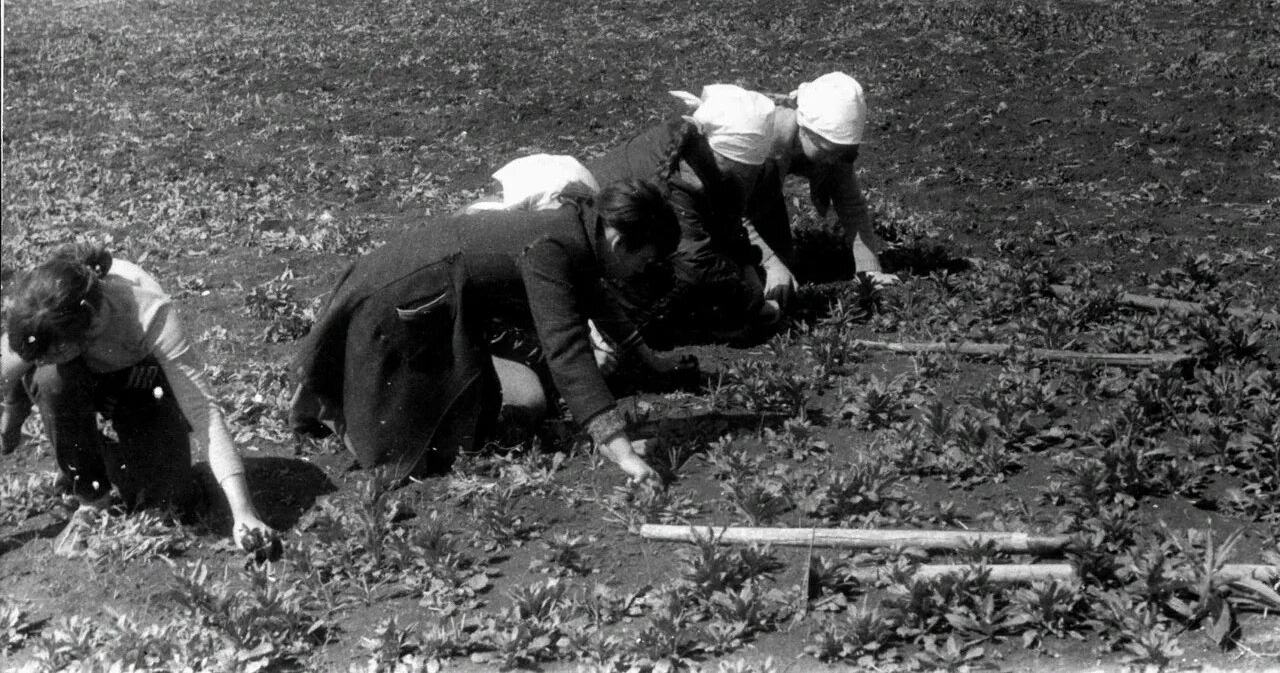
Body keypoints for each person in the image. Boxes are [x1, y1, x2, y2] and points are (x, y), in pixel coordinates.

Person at [289, 180, 679, 484]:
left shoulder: (578, 228)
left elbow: (598, 302)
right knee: (412, 459)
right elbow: (567, 351)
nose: (640, 274)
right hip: (395, 311)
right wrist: (623, 452)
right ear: (620, 242)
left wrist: (649, 361)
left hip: (437, 312)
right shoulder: (552, 248)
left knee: (513, 406)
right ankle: (332, 402)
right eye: (643, 262)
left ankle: (347, 393)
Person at [0, 244, 280, 559]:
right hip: (77, 377)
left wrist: (244, 513)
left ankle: (107, 453)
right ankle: (92, 494)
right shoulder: (47, 309)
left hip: (141, 382)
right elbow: (10, 363)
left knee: (170, 503)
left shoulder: (149, 314)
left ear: (90, 325)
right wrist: (14, 403)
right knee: (50, 378)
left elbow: (204, 413)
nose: (41, 357)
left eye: (53, 351)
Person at [590, 85, 779, 345]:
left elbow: (727, 217)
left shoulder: (707, 159)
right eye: (738, 170)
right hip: (610, 255)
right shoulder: (672, 174)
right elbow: (693, 262)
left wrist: (747, 266)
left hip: (642, 246)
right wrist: (751, 300)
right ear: (714, 151)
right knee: (661, 313)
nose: (744, 179)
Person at [743, 72, 897, 302]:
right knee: (751, 274)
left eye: (842, 152)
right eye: (828, 150)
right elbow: (734, 213)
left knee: (787, 267)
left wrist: (870, 269)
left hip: (763, 192)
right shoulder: (765, 140)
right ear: (804, 129)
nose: (835, 160)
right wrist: (769, 263)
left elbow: (850, 203)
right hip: (709, 198)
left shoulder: (834, 150)